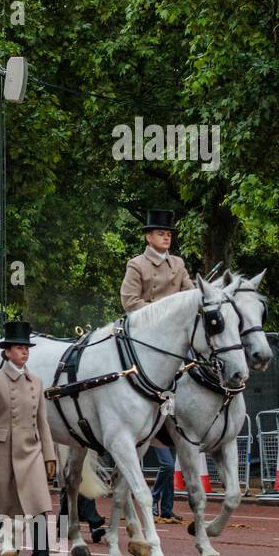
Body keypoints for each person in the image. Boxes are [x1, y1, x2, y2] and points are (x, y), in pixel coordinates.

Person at [119, 209, 193, 523]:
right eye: (161, 232)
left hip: (173, 339)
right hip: (144, 334)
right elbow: (129, 301)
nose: (167, 236)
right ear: (149, 237)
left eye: (169, 233)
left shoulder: (178, 264)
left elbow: (191, 295)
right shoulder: (136, 264)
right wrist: (163, 314)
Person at [0, 321, 59, 556]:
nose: (25, 352)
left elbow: (43, 422)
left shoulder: (37, 381)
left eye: (26, 348)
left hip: (30, 452)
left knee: (41, 508)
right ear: (7, 352)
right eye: (19, 348)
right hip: (2, 453)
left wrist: (50, 455)